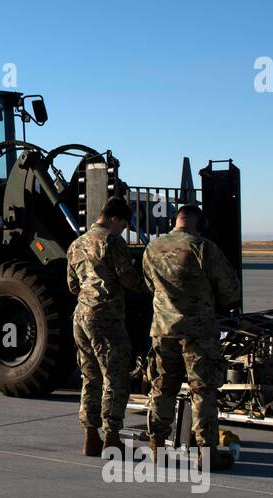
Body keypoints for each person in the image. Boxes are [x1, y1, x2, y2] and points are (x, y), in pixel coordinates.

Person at [142, 205, 242, 468]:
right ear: (199, 221)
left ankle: (157, 449)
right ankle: (206, 455)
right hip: (198, 333)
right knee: (203, 392)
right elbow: (230, 290)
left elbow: (149, 285)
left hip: (163, 330)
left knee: (162, 389)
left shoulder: (152, 249)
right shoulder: (203, 247)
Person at [66, 196, 146, 457]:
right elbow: (129, 279)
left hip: (81, 317)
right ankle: (111, 437)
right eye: (122, 224)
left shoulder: (76, 244)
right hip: (106, 318)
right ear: (114, 219)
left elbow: (72, 285)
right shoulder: (112, 241)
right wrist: (151, 289)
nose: (122, 229)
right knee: (116, 377)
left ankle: (90, 436)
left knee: (90, 377)